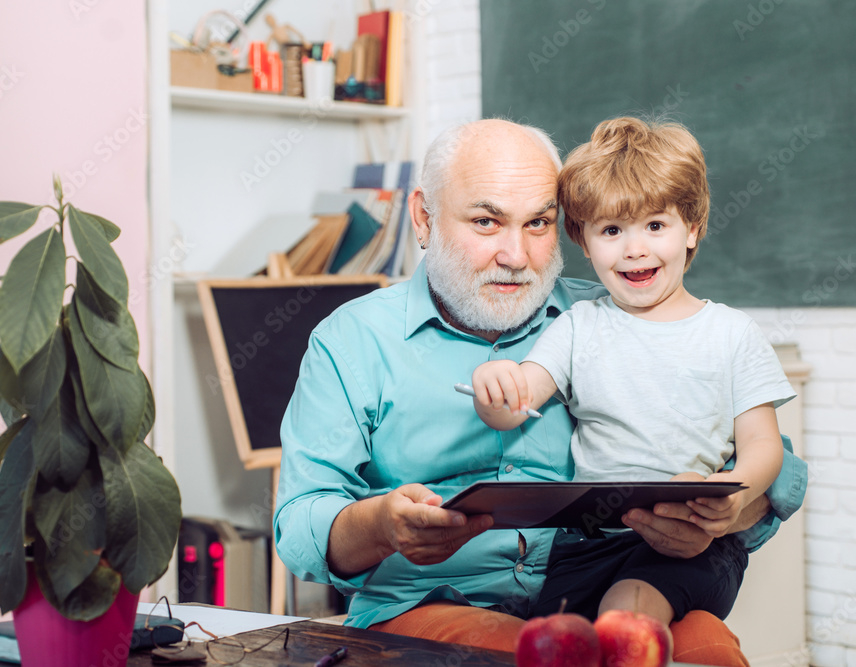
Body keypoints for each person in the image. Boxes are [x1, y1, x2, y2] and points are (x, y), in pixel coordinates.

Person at [273, 119, 806, 666]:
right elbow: (300, 528)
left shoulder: (613, 312)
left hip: (611, 581)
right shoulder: (351, 340)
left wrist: (726, 510)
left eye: (538, 223)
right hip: (429, 601)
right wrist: (384, 524)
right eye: (486, 221)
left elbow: (776, 464)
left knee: (708, 653)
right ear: (424, 218)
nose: (516, 255)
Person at [470, 117, 796, 629]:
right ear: (583, 240)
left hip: (689, 543)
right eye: (612, 230)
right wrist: (498, 391)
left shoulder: (732, 333)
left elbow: (764, 446)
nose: (634, 248)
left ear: (692, 228)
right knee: (554, 636)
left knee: (627, 612)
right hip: (585, 544)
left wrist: (731, 491)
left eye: (655, 226)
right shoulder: (579, 327)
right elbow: (520, 397)